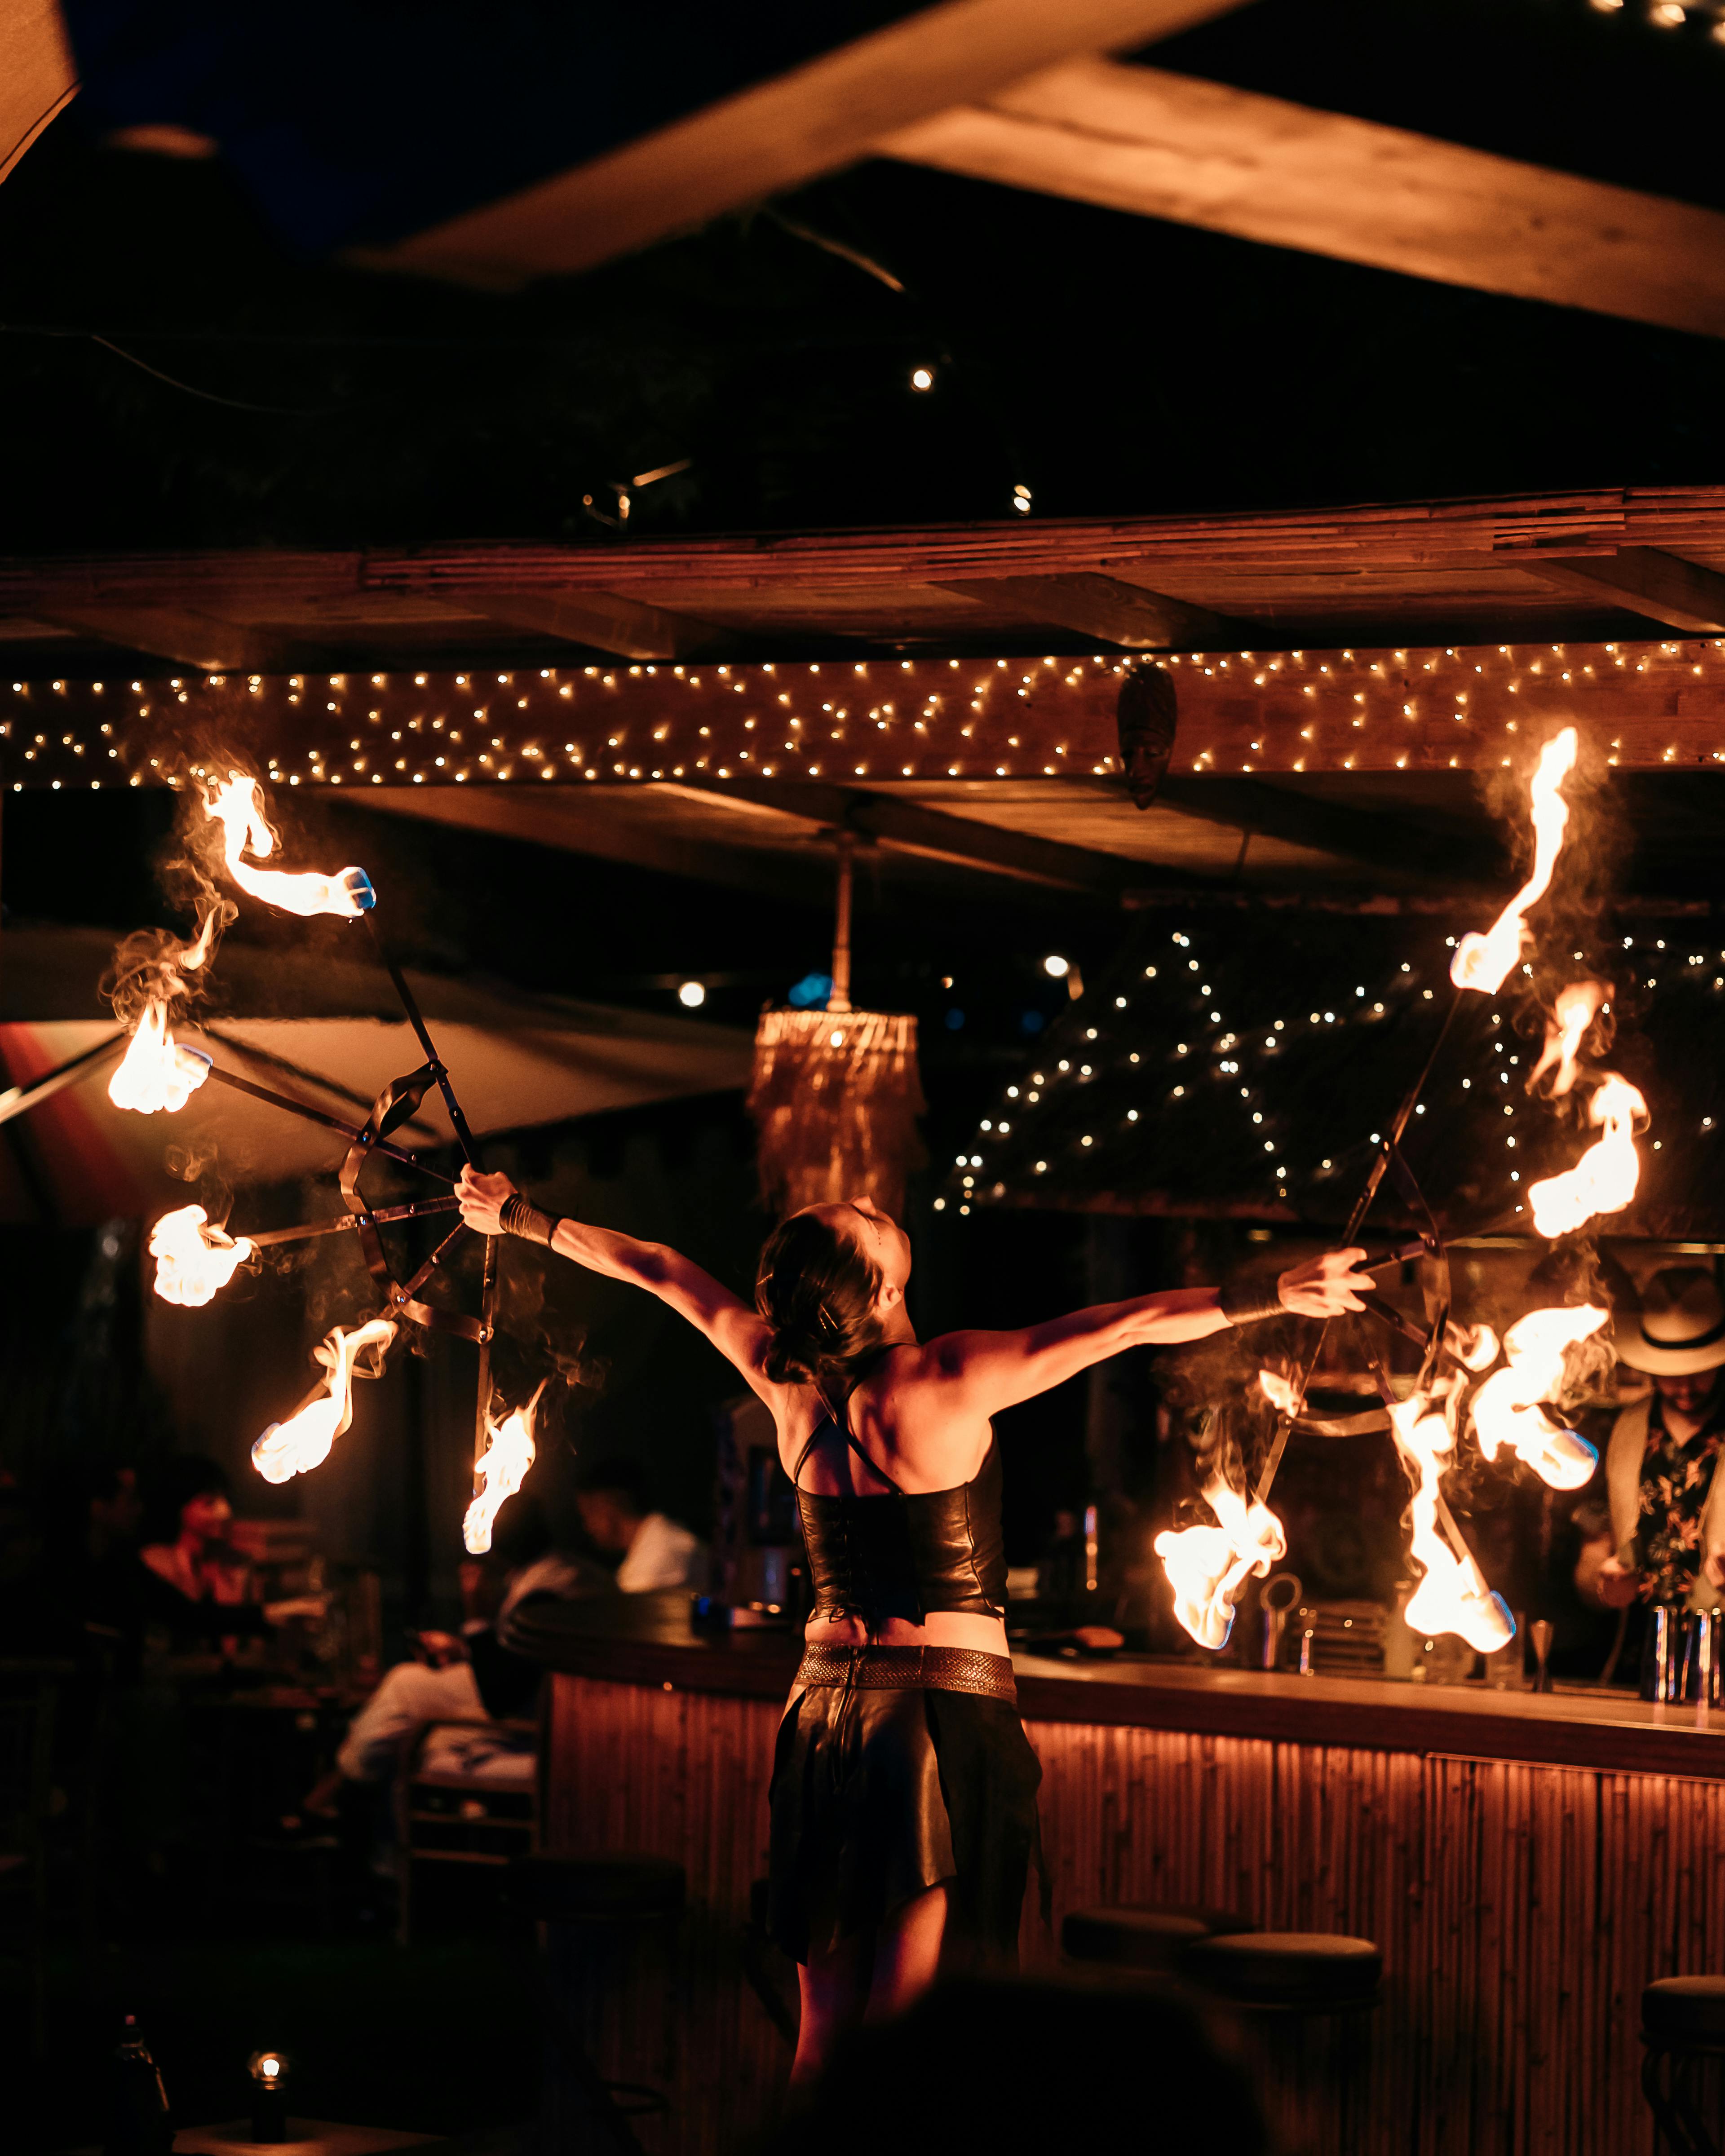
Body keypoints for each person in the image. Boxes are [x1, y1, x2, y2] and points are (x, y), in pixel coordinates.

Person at [456, 1162, 1368, 2086]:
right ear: (886, 1287)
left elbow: (657, 1269)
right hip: (933, 1725)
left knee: (824, 2039)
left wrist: (521, 1219)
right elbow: (1121, 1325)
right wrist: (1271, 1293)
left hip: (819, 1719)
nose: (868, 1205)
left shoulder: (780, 1380)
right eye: (864, 1221)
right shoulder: (950, 1374)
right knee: (910, 2041)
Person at [1598, 1268, 1725, 1614]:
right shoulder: (1630, 1427)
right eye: (1670, 1374)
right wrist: (1611, 1579)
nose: (1685, 1388)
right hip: (1645, 1637)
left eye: (1699, 1370)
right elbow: (1611, 1544)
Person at [134, 1455, 322, 1649]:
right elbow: (188, 1619)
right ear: (181, 1508)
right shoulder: (154, 1563)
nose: (225, 1512)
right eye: (209, 1503)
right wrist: (269, 1614)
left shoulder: (233, 1567)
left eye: (225, 1500)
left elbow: (240, 1647)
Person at [574, 1455, 703, 1590]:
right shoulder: (660, 1540)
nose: (587, 1527)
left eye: (588, 1513)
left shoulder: (657, 1559)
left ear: (610, 1503)